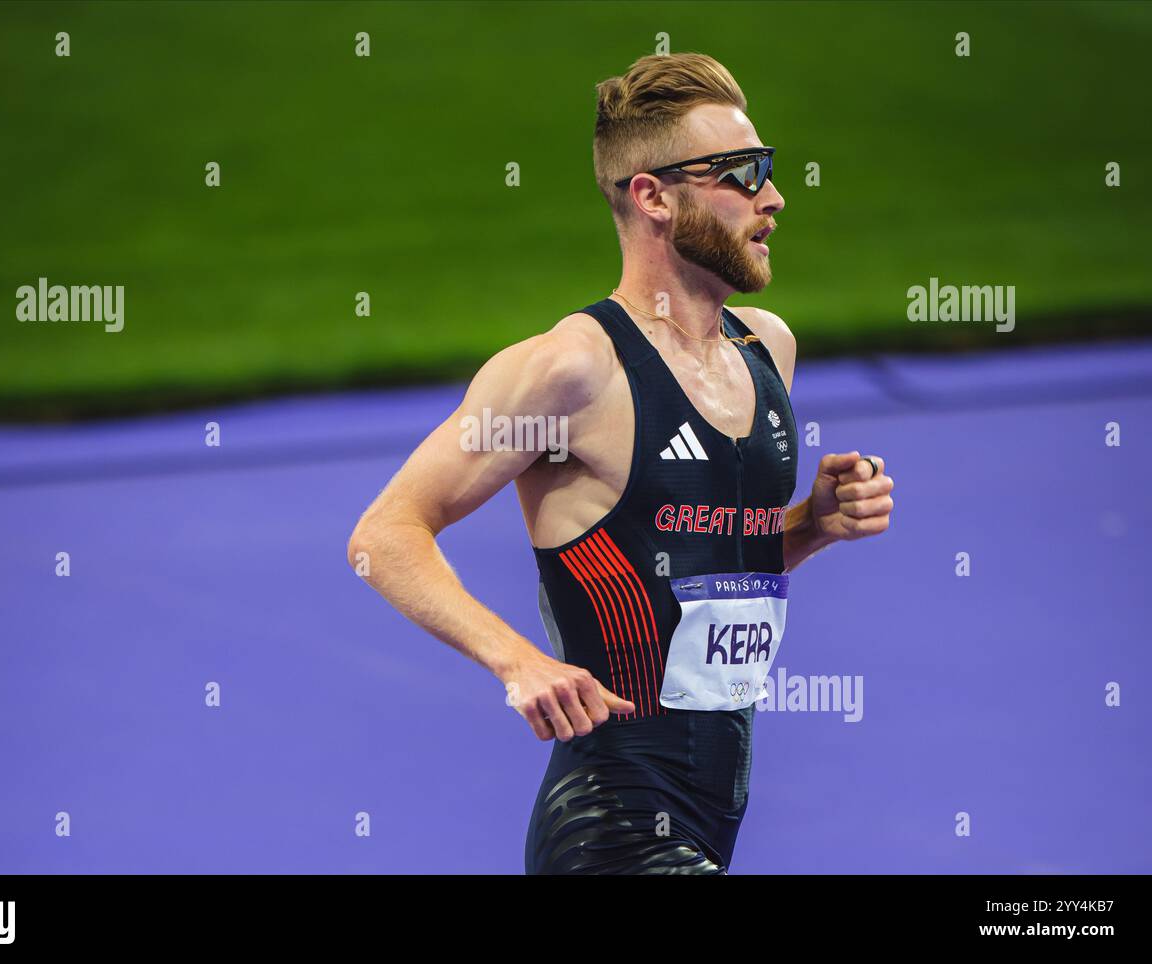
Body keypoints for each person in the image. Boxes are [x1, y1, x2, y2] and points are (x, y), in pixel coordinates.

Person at [347, 52, 894, 874]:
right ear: (653, 196)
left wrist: (813, 526)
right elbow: (385, 534)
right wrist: (518, 660)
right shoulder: (572, 369)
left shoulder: (766, 351)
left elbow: (702, 571)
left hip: (714, 815)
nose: (773, 197)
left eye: (768, 169)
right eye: (741, 175)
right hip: (610, 823)